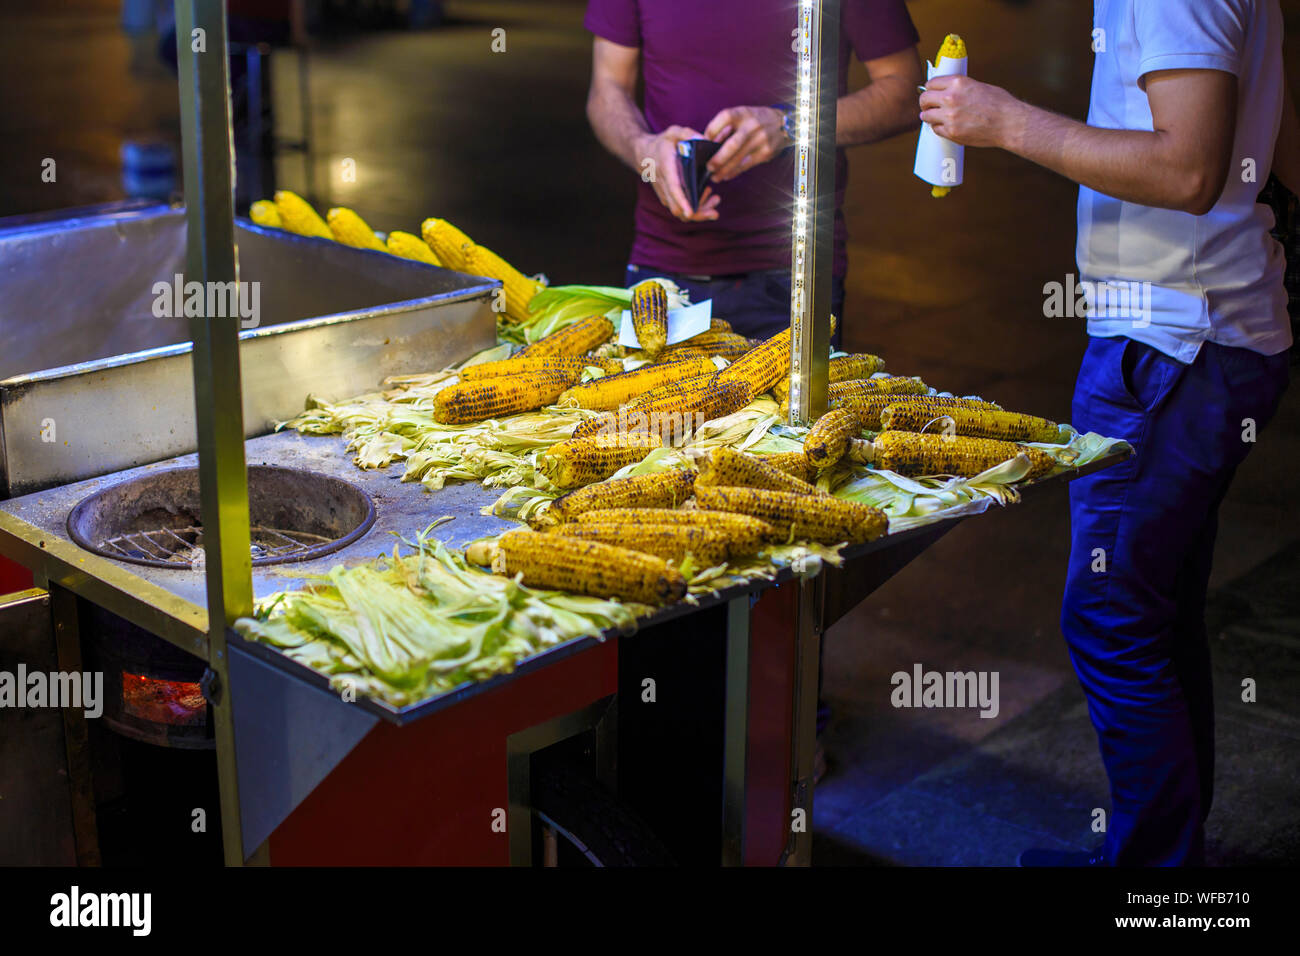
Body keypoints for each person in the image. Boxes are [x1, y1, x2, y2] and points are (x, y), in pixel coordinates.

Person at [920, 0, 1295, 866]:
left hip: (1173, 343)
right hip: (1212, 335)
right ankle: (1162, 861)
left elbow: (1191, 169)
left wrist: (1004, 121)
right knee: (1155, 608)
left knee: (1112, 612)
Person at [584, 0, 923, 341]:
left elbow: (906, 93)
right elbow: (606, 87)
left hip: (798, 271)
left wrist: (790, 125)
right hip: (663, 267)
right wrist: (644, 153)